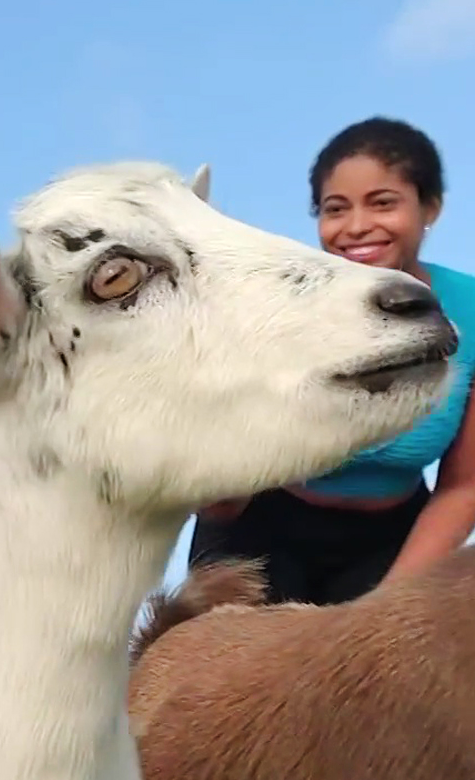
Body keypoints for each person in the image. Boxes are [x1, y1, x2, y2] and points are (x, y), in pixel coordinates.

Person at [187, 117, 475, 604]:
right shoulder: (282, 299)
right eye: (335, 209)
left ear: (431, 208)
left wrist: (382, 609)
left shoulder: (467, 307)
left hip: (396, 542)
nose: (357, 227)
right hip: (259, 531)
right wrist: (218, 500)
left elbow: (464, 487)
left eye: (383, 203)